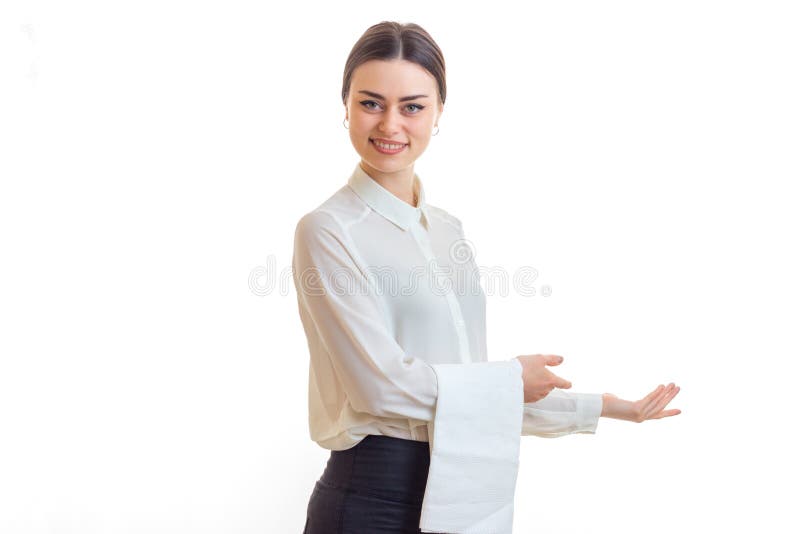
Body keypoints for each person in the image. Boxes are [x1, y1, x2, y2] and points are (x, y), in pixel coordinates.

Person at [292, 21, 682, 534]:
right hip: (371, 501)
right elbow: (380, 389)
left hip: (461, 494)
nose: (390, 124)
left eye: (412, 107)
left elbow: (468, 391)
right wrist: (510, 380)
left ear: (438, 112)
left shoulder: (447, 230)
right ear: (345, 104)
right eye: (371, 103)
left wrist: (607, 407)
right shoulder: (327, 230)